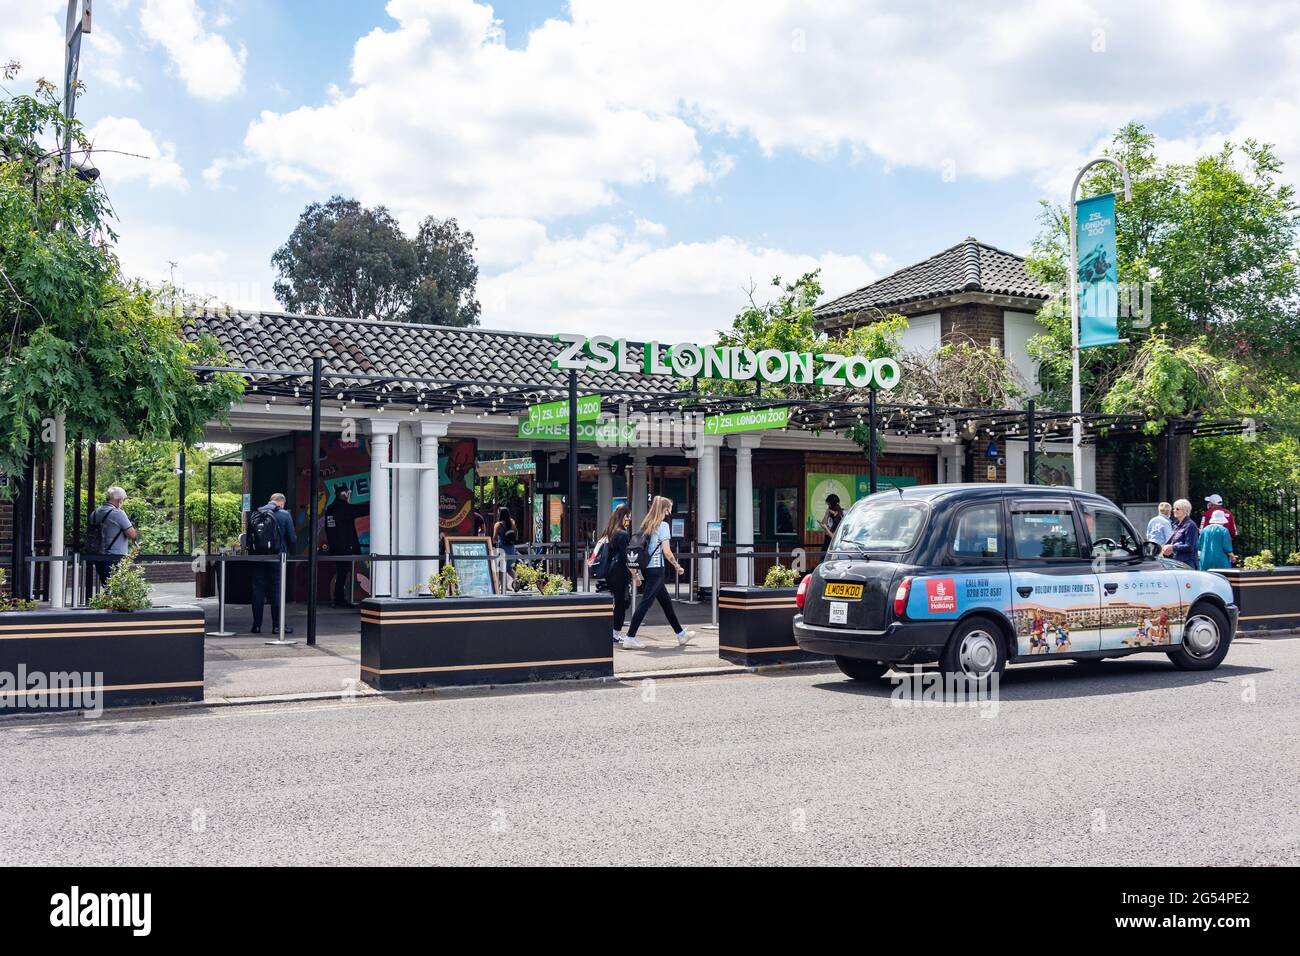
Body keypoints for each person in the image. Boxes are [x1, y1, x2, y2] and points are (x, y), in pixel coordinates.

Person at [623, 495, 695, 649]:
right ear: (664, 509)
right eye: (669, 509)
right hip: (656, 570)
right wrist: (677, 566)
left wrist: (635, 574)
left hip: (647, 569)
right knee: (645, 603)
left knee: (666, 604)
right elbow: (667, 552)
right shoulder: (662, 526)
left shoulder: (646, 524)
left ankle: (681, 635)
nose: (669, 512)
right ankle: (630, 637)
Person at [250, 492, 297, 635]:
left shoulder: (255, 513)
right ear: (282, 502)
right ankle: (277, 626)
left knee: (258, 590)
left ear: (270, 501)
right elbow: (292, 539)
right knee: (277, 591)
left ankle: (256, 626)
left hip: (258, 557)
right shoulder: (284, 515)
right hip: (277, 558)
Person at [324, 486, 368, 607]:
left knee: (340, 573)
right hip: (344, 547)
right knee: (342, 573)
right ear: (344, 494)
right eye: (348, 494)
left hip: (335, 547)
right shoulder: (342, 508)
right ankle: (339, 599)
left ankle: (337, 598)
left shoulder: (330, 509)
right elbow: (359, 510)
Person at [87, 486, 139, 585]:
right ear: (120, 500)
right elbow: (132, 534)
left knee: (107, 587)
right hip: (115, 557)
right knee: (116, 589)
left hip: (98, 556)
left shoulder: (94, 513)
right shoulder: (118, 513)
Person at [598, 504, 634, 644]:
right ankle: (615, 633)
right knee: (621, 603)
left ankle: (614, 631)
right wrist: (635, 575)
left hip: (610, 573)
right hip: (620, 573)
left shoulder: (610, 531)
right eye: (628, 516)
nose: (629, 519)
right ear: (624, 516)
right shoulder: (623, 534)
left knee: (618, 603)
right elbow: (626, 557)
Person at [1161, 498, 1199, 566]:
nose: (1174, 511)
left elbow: (1190, 546)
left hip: (1187, 563)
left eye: (1177, 509)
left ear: (1185, 510)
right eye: (1174, 508)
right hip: (1176, 562)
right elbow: (1172, 542)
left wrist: (1172, 548)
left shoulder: (1190, 525)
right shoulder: (1175, 525)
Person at [492, 507, 519, 585]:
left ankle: (503, 587)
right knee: (509, 568)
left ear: (500, 514)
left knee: (501, 568)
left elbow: (494, 538)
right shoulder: (512, 522)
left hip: (502, 547)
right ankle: (516, 579)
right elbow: (516, 533)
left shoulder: (498, 524)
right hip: (511, 547)